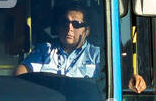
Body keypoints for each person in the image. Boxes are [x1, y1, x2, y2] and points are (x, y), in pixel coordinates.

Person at [16, 6, 146, 93]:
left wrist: (133, 80)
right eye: (65, 22)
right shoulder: (45, 51)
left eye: (76, 24)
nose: (69, 28)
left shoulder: (98, 55)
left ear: (87, 31)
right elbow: (21, 73)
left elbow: (118, 79)